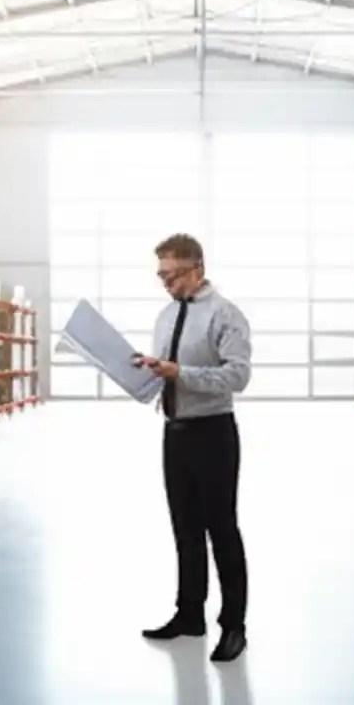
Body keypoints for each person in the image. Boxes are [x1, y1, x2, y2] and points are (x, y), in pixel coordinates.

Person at [132, 233, 253, 663]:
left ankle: (234, 627)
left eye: (174, 274)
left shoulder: (225, 314)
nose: (167, 283)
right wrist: (148, 369)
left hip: (213, 433)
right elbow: (170, 371)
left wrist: (178, 372)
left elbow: (237, 376)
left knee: (221, 529)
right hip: (175, 433)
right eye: (161, 275)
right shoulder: (166, 316)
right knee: (184, 528)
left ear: (197, 268)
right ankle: (189, 615)